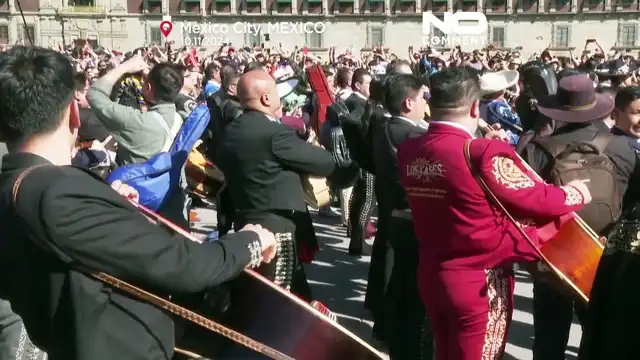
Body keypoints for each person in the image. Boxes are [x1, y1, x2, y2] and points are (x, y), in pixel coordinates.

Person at [0, 45, 277, 360]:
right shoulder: (57, 192)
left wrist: (107, 204)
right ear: (72, 112)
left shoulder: (17, 186)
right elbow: (185, 265)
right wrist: (251, 241)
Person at [396, 67, 592, 360]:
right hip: (478, 278)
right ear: (476, 106)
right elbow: (536, 198)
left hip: (432, 269)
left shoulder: (410, 148)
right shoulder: (480, 152)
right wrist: (574, 193)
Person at [520, 75, 640, 360]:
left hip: (555, 257)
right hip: (603, 253)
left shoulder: (536, 148)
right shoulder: (624, 149)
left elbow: (525, 206)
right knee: (598, 332)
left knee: (549, 336)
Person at [217, 69, 349, 301]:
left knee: (282, 296)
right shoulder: (275, 134)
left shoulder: (230, 131)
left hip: (245, 223)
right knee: (280, 300)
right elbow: (326, 164)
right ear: (266, 98)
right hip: (278, 231)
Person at [370, 73, 432, 359]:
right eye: (422, 98)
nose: (425, 104)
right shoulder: (414, 135)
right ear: (409, 102)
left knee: (400, 284)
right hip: (413, 219)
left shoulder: (384, 127)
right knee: (414, 293)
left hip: (394, 215)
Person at [87, 57, 190, 228]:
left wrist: (124, 67)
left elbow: (94, 94)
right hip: (173, 207)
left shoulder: (137, 121)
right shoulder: (180, 119)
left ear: (148, 88)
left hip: (140, 210)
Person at [577, 85, 640, 360]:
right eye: (636, 112)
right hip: (619, 242)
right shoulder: (620, 148)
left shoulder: (610, 142)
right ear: (616, 113)